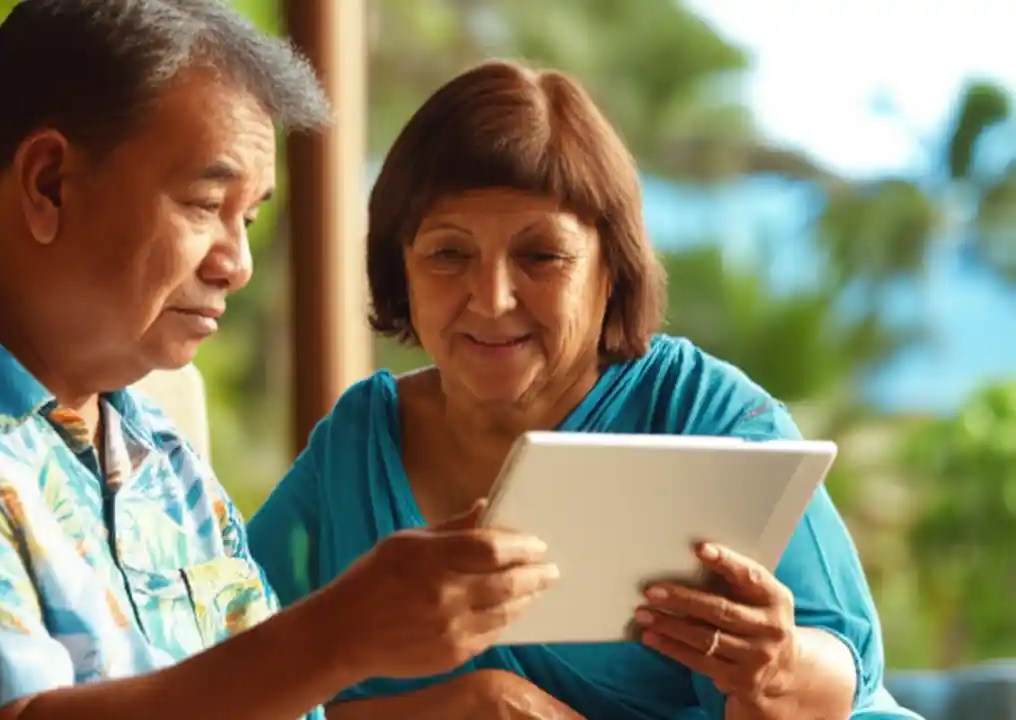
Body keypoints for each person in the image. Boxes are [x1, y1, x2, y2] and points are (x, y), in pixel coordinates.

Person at [0, 4, 561, 719]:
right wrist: (338, 635)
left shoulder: (150, 451)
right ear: (50, 183)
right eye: (207, 205)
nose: (235, 262)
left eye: (249, 218)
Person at [248, 60, 922, 720]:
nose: (491, 298)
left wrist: (776, 669)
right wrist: (464, 705)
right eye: (449, 254)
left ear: (610, 272)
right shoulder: (359, 446)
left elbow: (847, 681)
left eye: (541, 256)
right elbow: (224, 666)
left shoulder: (703, 414)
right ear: (401, 270)